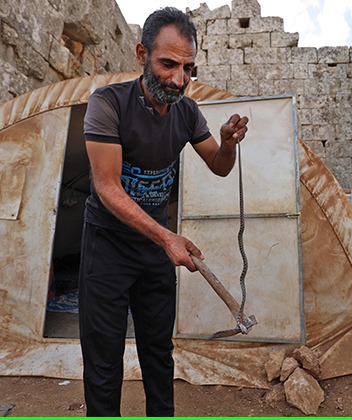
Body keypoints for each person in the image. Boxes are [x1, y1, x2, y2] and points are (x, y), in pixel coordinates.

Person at [80, 7, 249, 416]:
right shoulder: (109, 104)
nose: (179, 79)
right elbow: (107, 187)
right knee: (103, 359)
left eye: (188, 68)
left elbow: (220, 166)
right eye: (168, 64)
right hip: (107, 244)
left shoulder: (187, 111)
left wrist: (227, 142)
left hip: (154, 250)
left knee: (159, 352)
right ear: (142, 54)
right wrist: (166, 236)